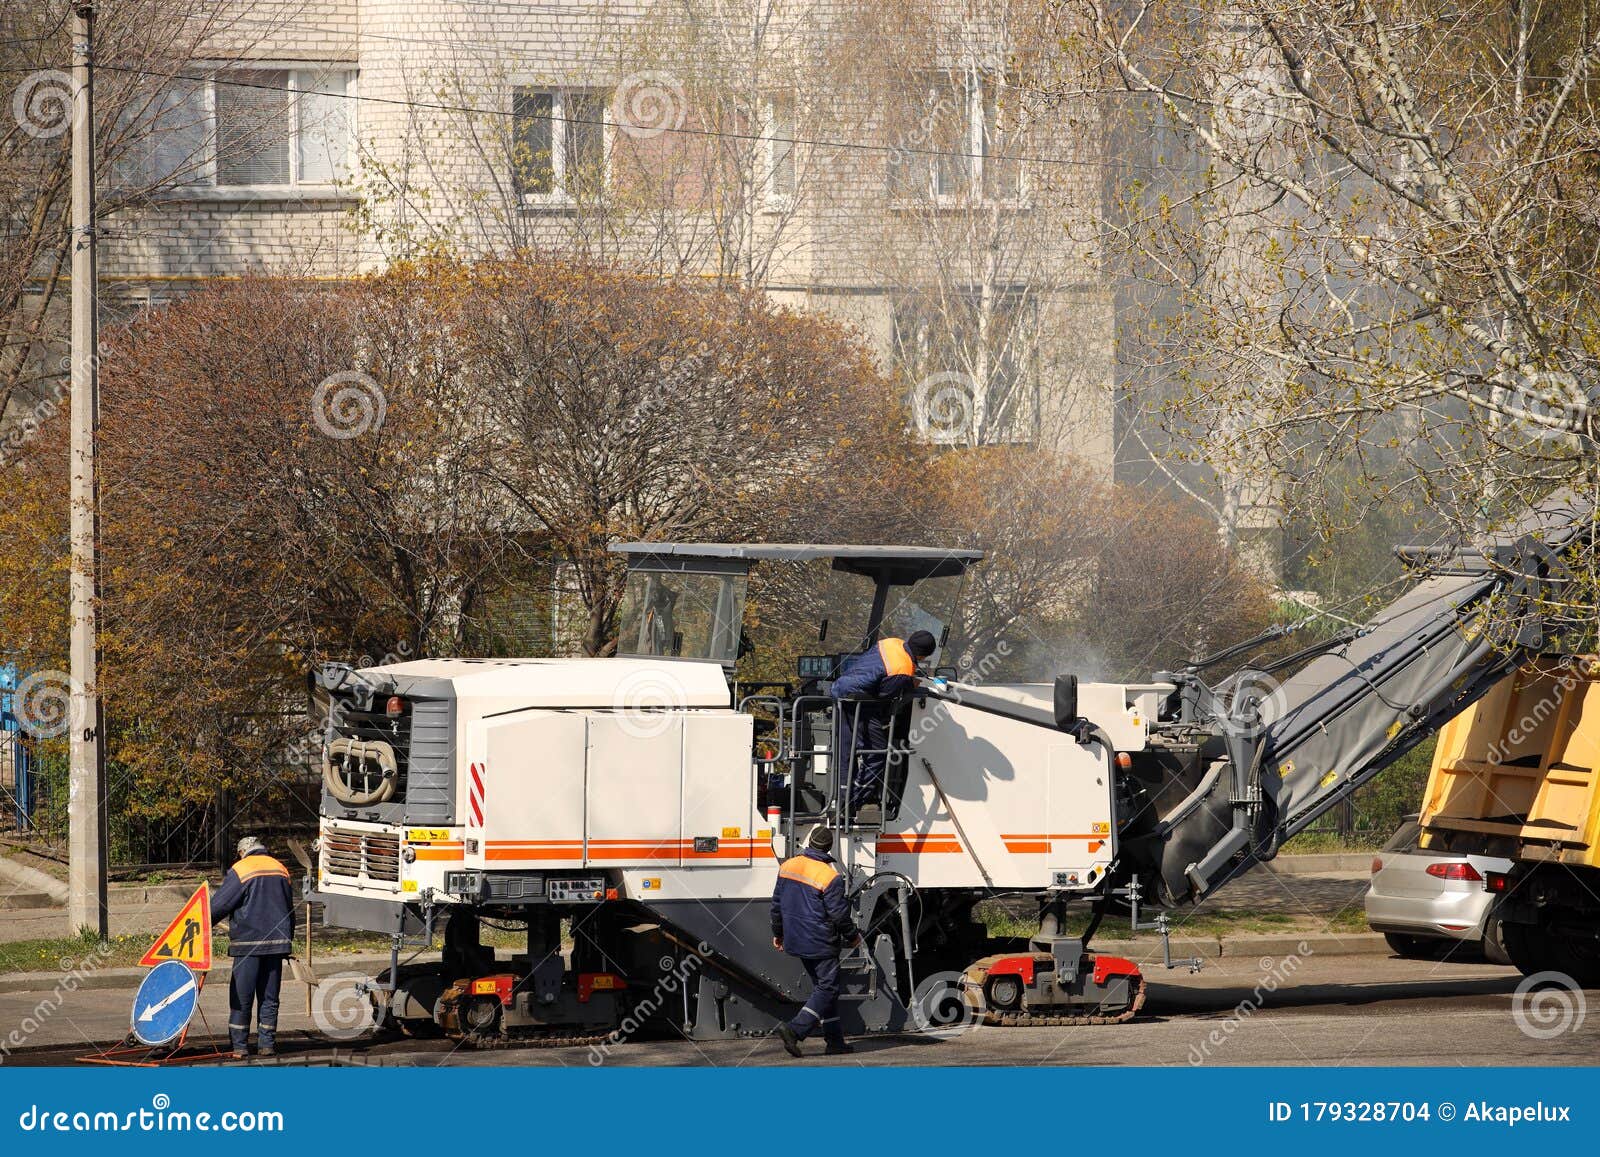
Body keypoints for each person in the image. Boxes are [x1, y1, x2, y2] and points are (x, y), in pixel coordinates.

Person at [770, 827, 861, 1057]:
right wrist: (853, 936)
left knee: (824, 989)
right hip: (819, 942)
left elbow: (777, 906)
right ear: (829, 848)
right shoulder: (830, 876)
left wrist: (778, 933)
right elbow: (839, 915)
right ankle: (794, 1030)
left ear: (810, 842)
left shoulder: (788, 866)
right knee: (828, 988)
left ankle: (835, 1042)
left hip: (795, 939)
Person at [829, 629, 937, 822]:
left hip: (842, 689)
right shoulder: (903, 668)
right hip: (858, 701)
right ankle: (855, 800)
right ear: (923, 655)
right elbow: (884, 696)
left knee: (847, 752)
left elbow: (874, 670)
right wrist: (909, 685)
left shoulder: (891, 643)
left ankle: (845, 801)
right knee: (877, 751)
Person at [211, 835, 296, 1059]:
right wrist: (288, 941)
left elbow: (220, 905)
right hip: (277, 944)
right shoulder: (281, 869)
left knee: (242, 996)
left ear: (242, 852)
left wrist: (199, 924)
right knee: (269, 997)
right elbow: (289, 909)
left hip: (248, 944)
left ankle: (239, 1046)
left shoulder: (241, 869)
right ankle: (267, 1044)